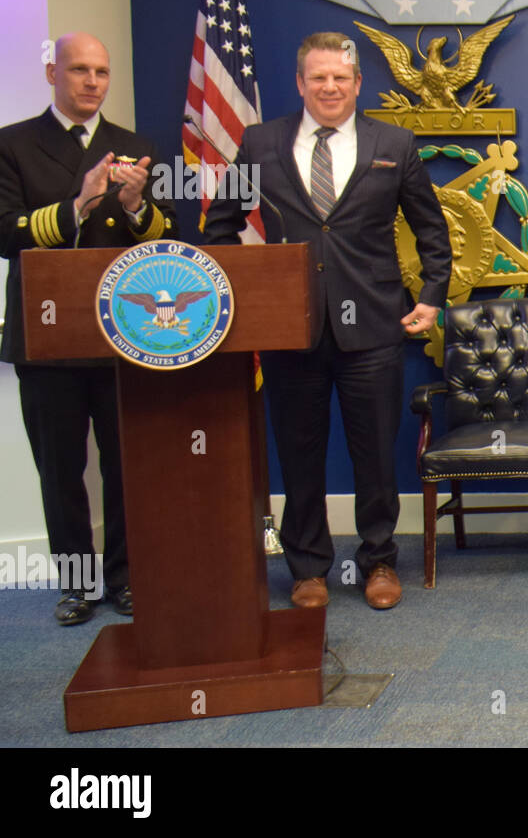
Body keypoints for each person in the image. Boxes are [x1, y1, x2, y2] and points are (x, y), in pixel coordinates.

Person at [204, 32, 450, 610]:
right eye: (319, 77)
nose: (330, 87)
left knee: (374, 451)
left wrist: (432, 296)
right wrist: (244, 302)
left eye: (341, 77)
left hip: (374, 329)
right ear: (301, 83)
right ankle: (309, 569)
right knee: (299, 452)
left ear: (359, 84)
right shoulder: (260, 143)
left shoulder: (396, 143)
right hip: (289, 330)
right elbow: (220, 228)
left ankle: (379, 562)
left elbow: (433, 232)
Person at [0, 32, 176, 625]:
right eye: (79, 70)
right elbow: (4, 234)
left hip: (121, 331)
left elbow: (163, 239)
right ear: (52, 71)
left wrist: (132, 206)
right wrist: (80, 203)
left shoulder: (133, 145)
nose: (92, 82)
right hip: (47, 335)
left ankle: (127, 576)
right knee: (60, 466)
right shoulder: (13, 144)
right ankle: (77, 583)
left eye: (101, 71)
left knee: (126, 462)